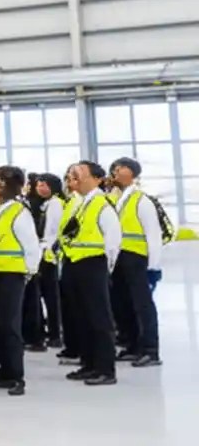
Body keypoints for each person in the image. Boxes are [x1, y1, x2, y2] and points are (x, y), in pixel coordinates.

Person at [61, 160, 122, 386]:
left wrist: (104, 270)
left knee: (99, 317)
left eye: (80, 172)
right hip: (74, 263)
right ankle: (88, 363)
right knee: (81, 316)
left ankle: (105, 368)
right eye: (72, 172)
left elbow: (113, 241)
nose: (73, 175)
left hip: (93, 265)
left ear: (97, 179)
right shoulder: (77, 202)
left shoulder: (101, 204)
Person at [0, 166, 42, 396]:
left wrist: (28, 272)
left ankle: (16, 375)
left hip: (13, 275)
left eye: (1, 181)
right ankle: (5, 370)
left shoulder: (19, 212)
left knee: (9, 325)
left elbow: (31, 247)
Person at [107, 157, 163, 367]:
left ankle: (150, 349)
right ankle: (132, 345)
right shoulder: (116, 199)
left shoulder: (142, 201)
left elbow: (153, 235)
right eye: (114, 168)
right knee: (122, 303)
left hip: (137, 258)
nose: (115, 172)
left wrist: (153, 266)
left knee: (142, 305)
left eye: (120, 168)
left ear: (132, 173)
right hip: (120, 259)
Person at [22, 173, 66, 350]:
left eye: (44, 185)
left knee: (50, 297)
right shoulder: (40, 204)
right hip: (41, 253)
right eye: (38, 185)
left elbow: (53, 231)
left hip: (48, 255)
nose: (40, 188)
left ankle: (55, 334)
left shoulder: (55, 204)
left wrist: (45, 247)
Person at [55, 169, 85, 366]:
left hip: (83, 261)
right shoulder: (71, 201)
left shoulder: (82, 202)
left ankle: (80, 350)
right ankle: (73, 347)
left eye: (74, 178)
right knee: (69, 308)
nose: (70, 182)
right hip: (68, 259)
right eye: (68, 178)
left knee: (82, 311)